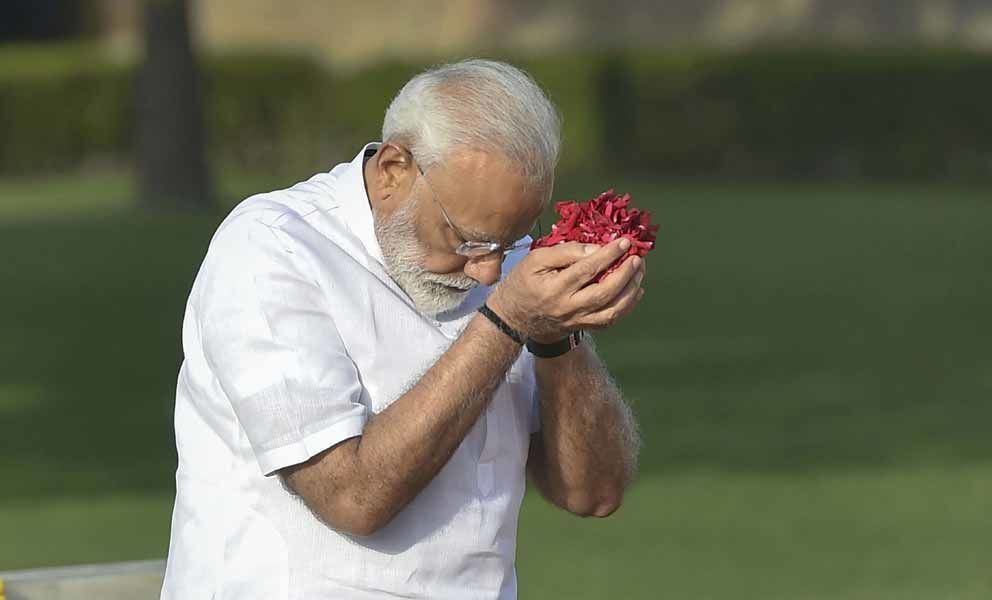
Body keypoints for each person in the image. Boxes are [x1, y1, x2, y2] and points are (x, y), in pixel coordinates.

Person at [161, 58, 644, 600]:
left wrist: (558, 334)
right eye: (465, 238)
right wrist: (508, 320)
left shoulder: (506, 263)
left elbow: (594, 493)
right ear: (393, 168)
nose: (487, 270)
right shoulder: (272, 249)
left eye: (510, 242)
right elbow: (352, 498)